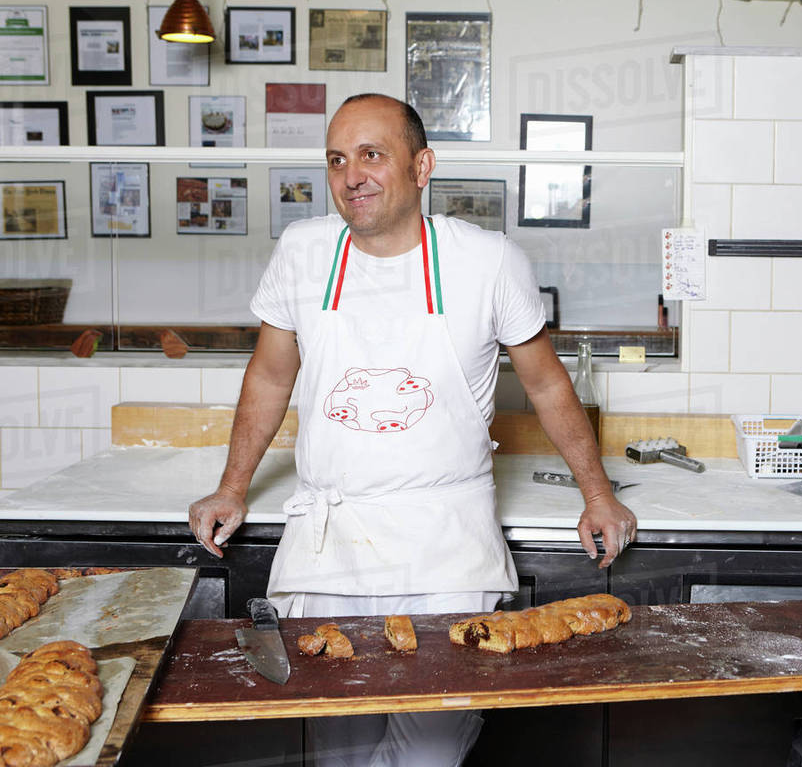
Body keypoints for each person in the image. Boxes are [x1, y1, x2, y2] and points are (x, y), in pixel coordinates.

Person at [188, 93, 637, 767]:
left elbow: (546, 385)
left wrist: (597, 494)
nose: (351, 176)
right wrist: (230, 487)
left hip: (445, 546)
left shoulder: (487, 261)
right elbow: (270, 376)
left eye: (372, 155)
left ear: (422, 166)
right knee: (336, 749)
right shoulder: (304, 251)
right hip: (329, 547)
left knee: (430, 751)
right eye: (337, 160)